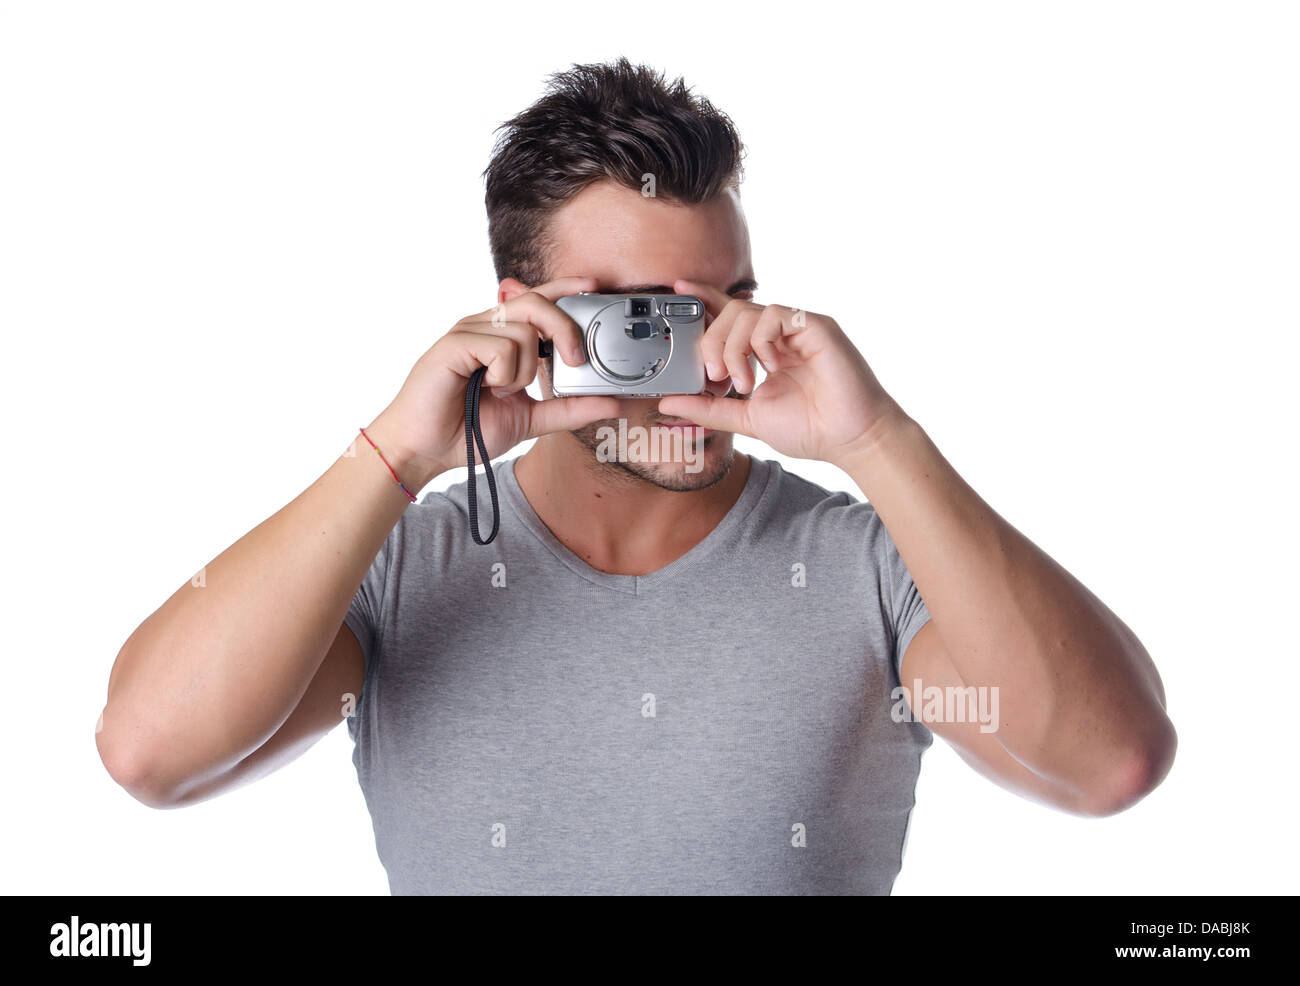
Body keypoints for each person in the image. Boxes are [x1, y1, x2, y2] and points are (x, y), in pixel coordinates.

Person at [97, 58, 1176, 894]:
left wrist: (876, 442)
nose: (689, 354)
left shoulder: (862, 569)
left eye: (717, 301)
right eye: (633, 317)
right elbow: (150, 753)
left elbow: (1112, 762)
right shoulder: (400, 566)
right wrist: (396, 453)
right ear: (521, 309)